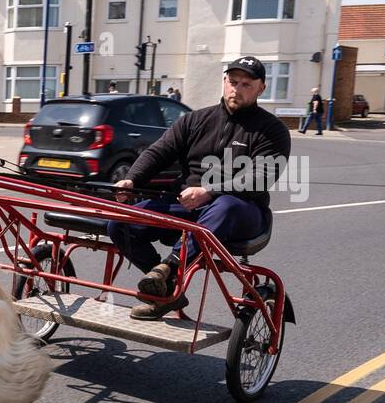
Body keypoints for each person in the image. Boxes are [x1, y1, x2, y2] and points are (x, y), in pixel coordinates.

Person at [108, 55, 291, 320]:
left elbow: (260, 178)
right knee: (121, 223)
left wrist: (210, 191)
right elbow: (159, 151)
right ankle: (165, 291)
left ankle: (168, 267)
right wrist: (132, 179)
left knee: (225, 204)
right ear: (225, 81)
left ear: (261, 88)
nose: (236, 89)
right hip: (187, 204)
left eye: (246, 84)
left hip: (242, 211)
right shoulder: (195, 120)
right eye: (232, 81)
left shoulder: (272, 131)